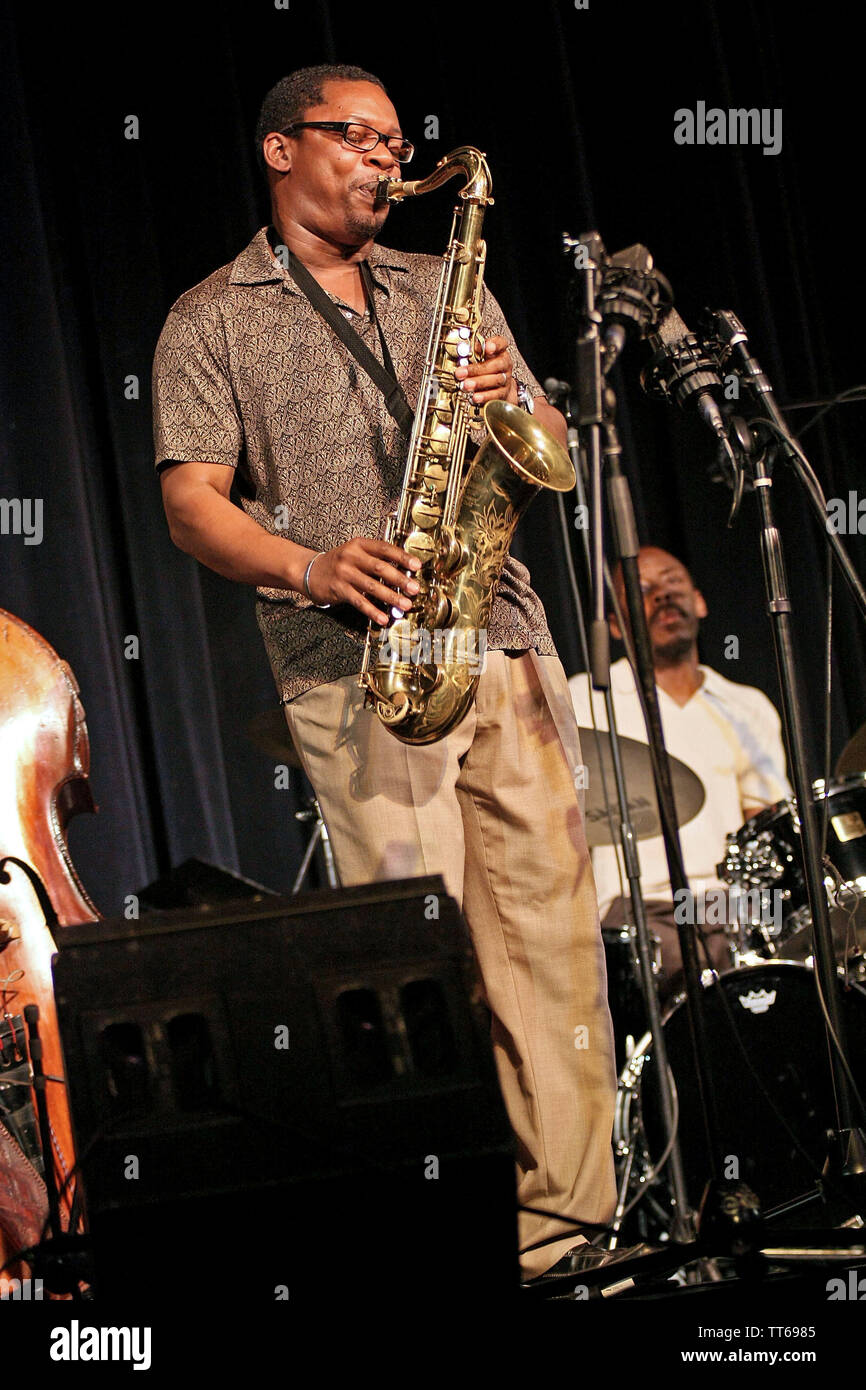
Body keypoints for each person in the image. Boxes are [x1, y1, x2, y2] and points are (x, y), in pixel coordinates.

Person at [153, 63, 619, 1281]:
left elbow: (546, 448)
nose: (382, 161)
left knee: (557, 962)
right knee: (428, 976)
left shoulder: (440, 286)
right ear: (279, 150)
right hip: (360, 671)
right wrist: (312, 569)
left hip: (501, 639)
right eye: (355, 138)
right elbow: (194, 508)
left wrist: (507, 391)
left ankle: (571, 1248)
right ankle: (450, 1256)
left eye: (394, 140)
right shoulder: (211, 315)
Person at [569, 546, 790, 1000]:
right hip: (638, 909)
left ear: (700, 601)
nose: (664, 596)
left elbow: (768, 825)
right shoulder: (584, 700)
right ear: (614, 624)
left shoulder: (748, 706)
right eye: (644, 590)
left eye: (673, 583)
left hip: (729, 906)